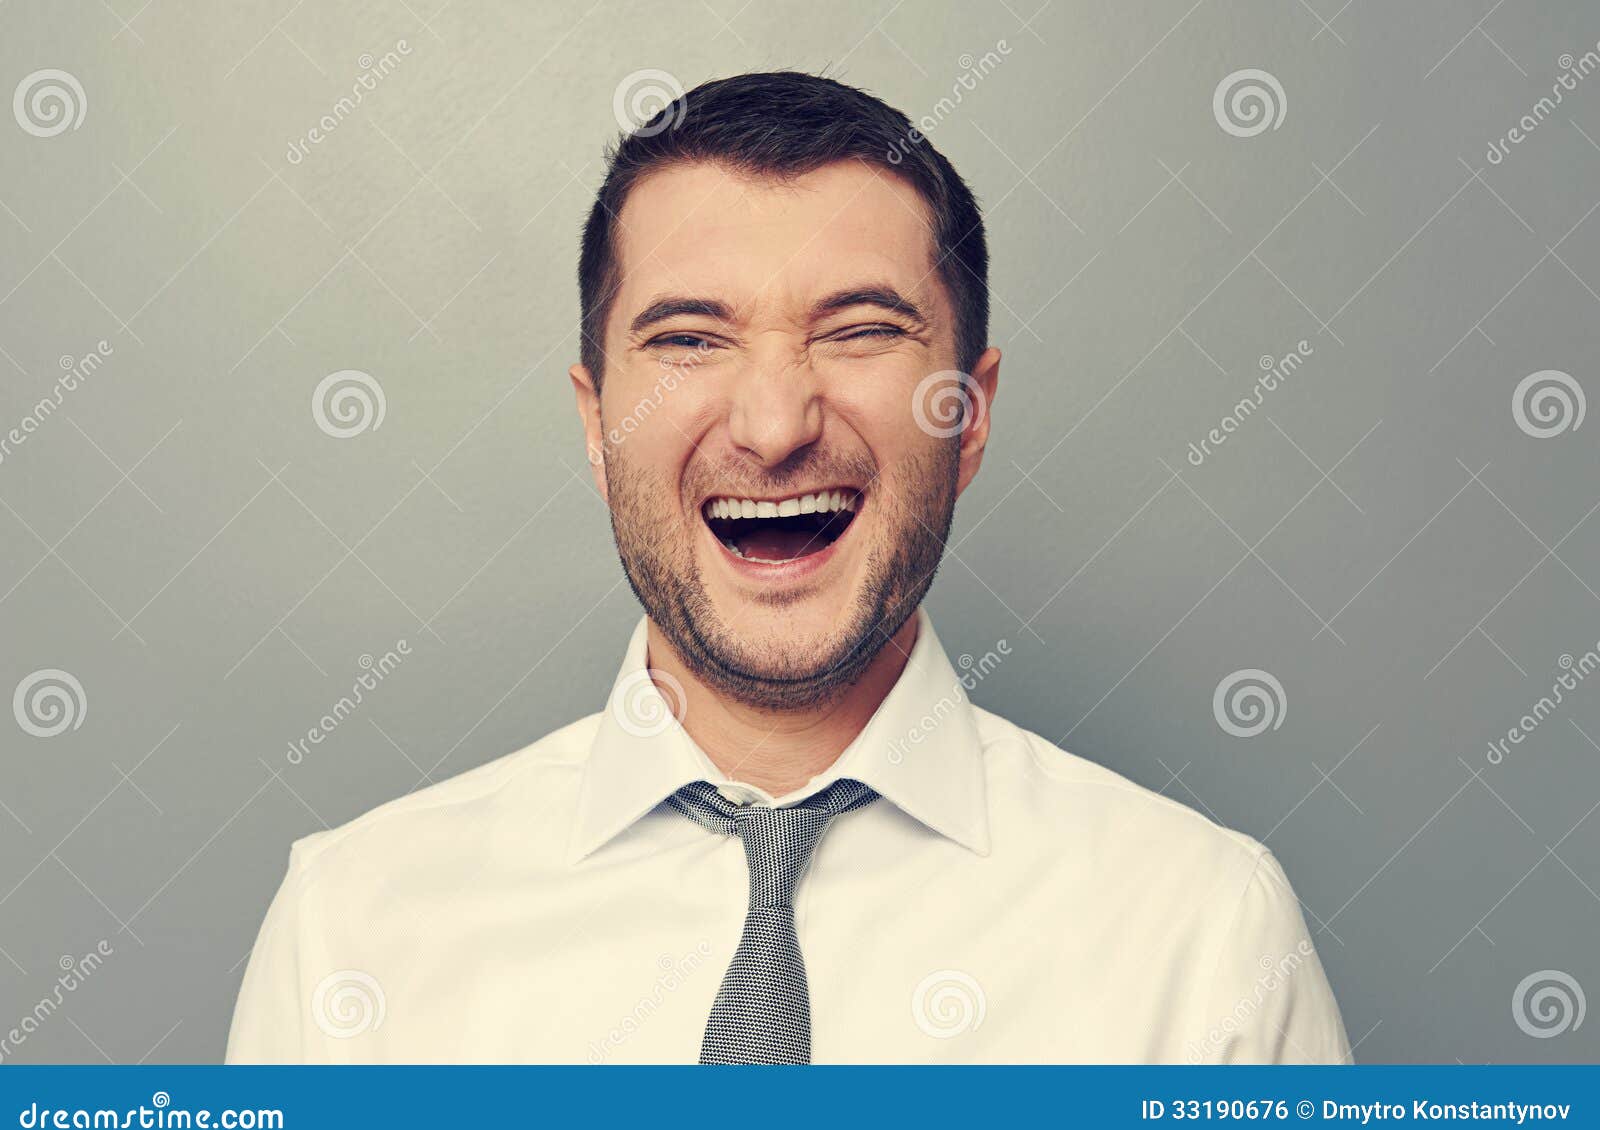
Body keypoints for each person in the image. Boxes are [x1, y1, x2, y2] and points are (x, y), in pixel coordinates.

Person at [227, 71, 1349, 1064]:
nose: (773, 427)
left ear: (968, 416)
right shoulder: (351, 933)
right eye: (688, 339)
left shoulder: (1206, 936)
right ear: (597, 426)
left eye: (860, 330)